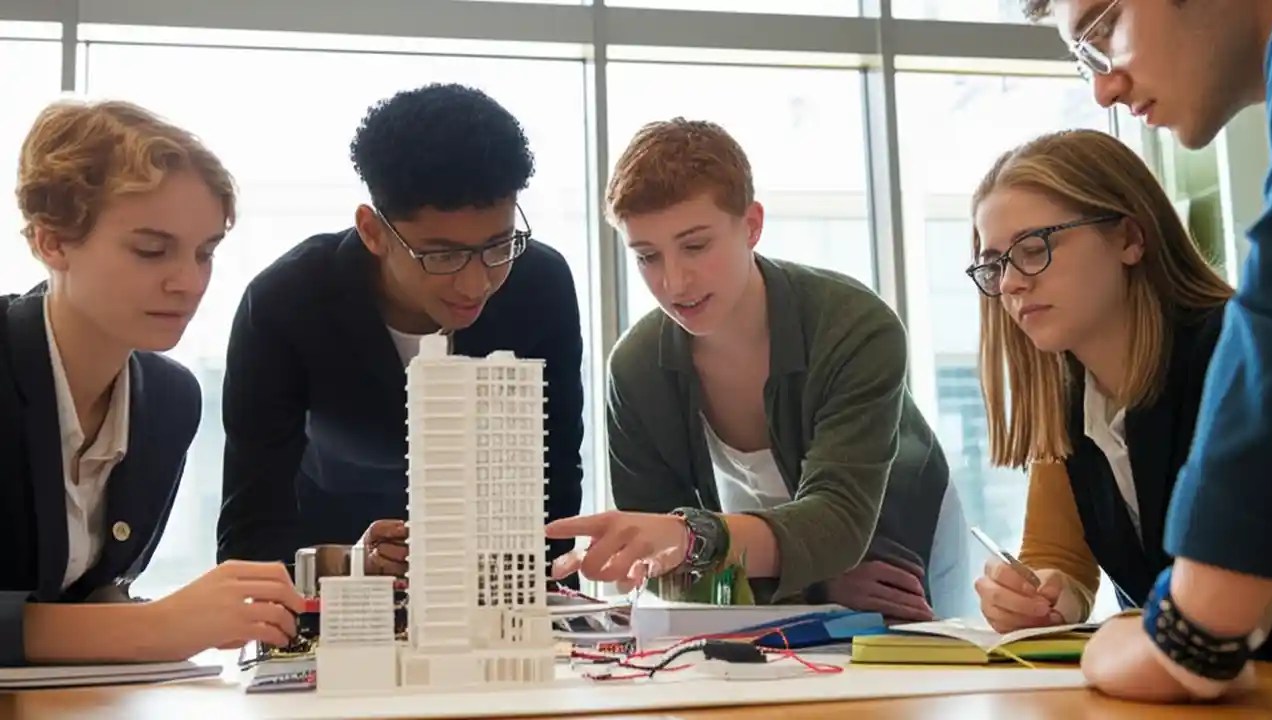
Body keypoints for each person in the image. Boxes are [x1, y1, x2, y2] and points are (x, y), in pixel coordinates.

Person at [546, 118, 972, 622]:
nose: (674, 282)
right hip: (773, 567)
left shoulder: (855, 324)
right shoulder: (635, 368)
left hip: (894, 543)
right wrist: (808, 586)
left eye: (695, 246)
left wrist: (692, 541)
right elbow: (664, 569)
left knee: (920, 683)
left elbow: (840, 520)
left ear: (751, 225)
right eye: (646, 256)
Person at [215, 83, 585, 582]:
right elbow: (251, 526)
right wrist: (340, 571)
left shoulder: (538, 284)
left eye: (498, 245)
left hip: (492, 576)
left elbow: (553, 479)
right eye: (443, 256)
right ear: (372, 231)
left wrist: (546, 604)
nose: (476, 283)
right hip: (327, 576)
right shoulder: (286, 304)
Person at [1023, 0, 1272, 702]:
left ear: (1132, 238)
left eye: (1102, 31)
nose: (1103, 87)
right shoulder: (1070, 401)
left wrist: (1181, 641)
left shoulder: (1223, 349)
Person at [0, 99, 303, 666]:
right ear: (51, 242)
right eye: (151, 250)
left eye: (205, 252)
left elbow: (84, 595)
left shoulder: (169, 400)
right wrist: (154, 625)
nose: (189, 282)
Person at [968, 127, 1242, 632]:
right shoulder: (1071, 400)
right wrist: (1042, 597)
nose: (1009, 282)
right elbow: (1060, 561)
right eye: (994, 263)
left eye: (1033, 248)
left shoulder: (1237, 356)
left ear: (1130, 238)